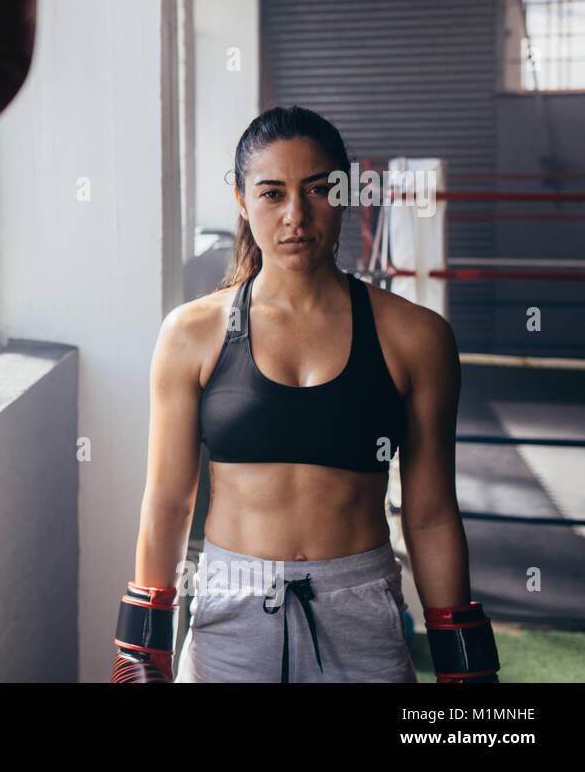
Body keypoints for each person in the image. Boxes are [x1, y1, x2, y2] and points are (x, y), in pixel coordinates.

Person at [110, 106, 500, 683]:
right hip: (229, 615)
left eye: (318, 190)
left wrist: (464, 668)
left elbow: (432, 515)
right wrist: (141, 653)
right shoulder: (190, 334)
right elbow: (168, 502)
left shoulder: (417, 338)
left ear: (345, 195)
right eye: (272, 194)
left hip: (360, 613)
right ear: (242, 201)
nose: (296, 215)